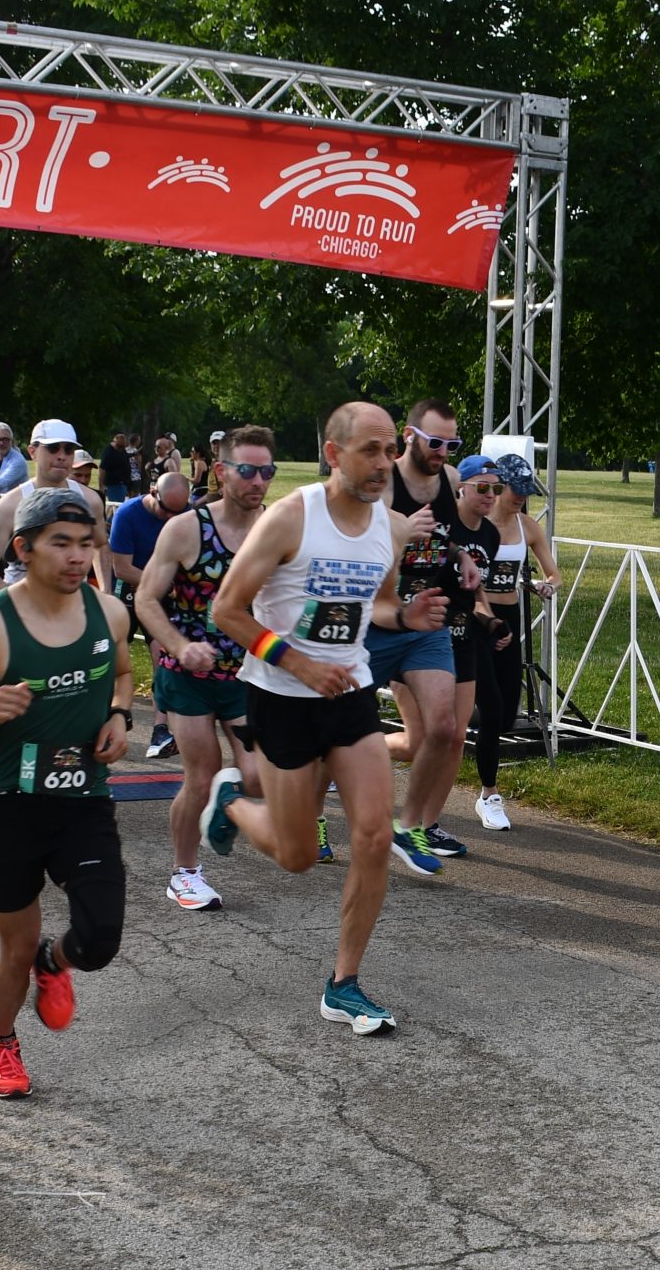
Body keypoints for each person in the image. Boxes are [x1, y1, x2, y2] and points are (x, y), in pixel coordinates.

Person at [199, 402, 446, 1032]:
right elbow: (226, 611)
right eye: (369, 450)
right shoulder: (289, 519)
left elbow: (381, 606)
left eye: (391, 449)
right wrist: (301, 666)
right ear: (333, 454)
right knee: (297, 856)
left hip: (351, 692)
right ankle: (232, 800)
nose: (384, 463)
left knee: (371, 835)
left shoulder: (389, 529)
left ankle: (344, 984)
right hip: (282, 697)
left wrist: (406, 617)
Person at [0, 488, 134, 1098]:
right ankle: (2, 1042)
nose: (78, 557)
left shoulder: (109, 613)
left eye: (86, 543)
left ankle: (59, 960)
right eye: (61, 545)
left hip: (82, 796)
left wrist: (121, 715)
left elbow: (123, 671)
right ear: (23, 548)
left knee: (99, 939)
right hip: (8, 803)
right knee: (15, 948)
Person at [136, 425, 275, 909]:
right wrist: (178, 643)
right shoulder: (187, 528)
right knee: (201, 772)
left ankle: (225, 801)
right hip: (188, 674)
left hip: (247, 675)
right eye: (248, 470)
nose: (259, 480)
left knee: (258, 776)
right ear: (221, 471)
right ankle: (185, 873)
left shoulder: (276, 528)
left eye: (267, 471)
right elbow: (146, 599)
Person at [372, 398, 472, 874]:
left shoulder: (449, 481)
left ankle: (408, 826)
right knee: (331, 726)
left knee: (444, 727)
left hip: (426, 621)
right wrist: (400, 533)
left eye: (452, 444)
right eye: (435, 442)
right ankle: (312, 815)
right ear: (409, 436)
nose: (443, 452)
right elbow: (357, 543)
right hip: (377, 617)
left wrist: (462, 556)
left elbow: (446, 531)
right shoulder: (383, 483)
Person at [399, 451, 504, 847]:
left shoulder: (490, 534)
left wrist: (488, 618)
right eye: (482, 487)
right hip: (418, 633)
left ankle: (427, 826)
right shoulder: (439, 520)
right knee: (420, 738)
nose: (490, 494)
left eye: (496, 488)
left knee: (454, 736)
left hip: (463, 639)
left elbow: (476, 588)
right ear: (460, 488)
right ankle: (341, 753)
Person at [470, 452, 559, 829]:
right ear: (497, 486)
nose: (521, 497)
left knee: (506, 714)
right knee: (491, 709)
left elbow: (554, 574)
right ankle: (489, 795)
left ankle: (469, 731)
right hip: (479, 621)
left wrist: (542, 585)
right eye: (515, 490)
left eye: (527, 491)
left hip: (510, 619)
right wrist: (488, 619)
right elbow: (471, 584)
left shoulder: (528, 527)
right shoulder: (480, 527)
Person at [0, 421, 107, 596]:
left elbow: (101, 545)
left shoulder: (90, 499)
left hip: (73, 607)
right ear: (32, 452)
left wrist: (105, 593)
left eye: (68, 450)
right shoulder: (10, 504)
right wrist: (16, 604)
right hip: (23, 606)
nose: (61, 456)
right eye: (52, 448)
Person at [108, 469, 187, 736]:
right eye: (167, 511)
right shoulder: (128, 514)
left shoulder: (184, 515)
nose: (171, 519)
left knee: (163, 656)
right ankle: (106, 716)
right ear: (153, 492)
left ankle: (161, 727)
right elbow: (122, 569)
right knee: (110, 656)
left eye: (179, 512)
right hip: (128, 591)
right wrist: (164, 583)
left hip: (162, 593)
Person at [100, 431, 133, 505]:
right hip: (112, 485)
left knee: (118, 505)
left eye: (124, 438)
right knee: (114, 506)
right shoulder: (109, 453)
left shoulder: (122, 451)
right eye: (120, 438)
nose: (123, 441)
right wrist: (101, 486)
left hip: (123, 484)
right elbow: (102, 469)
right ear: (115, 439)